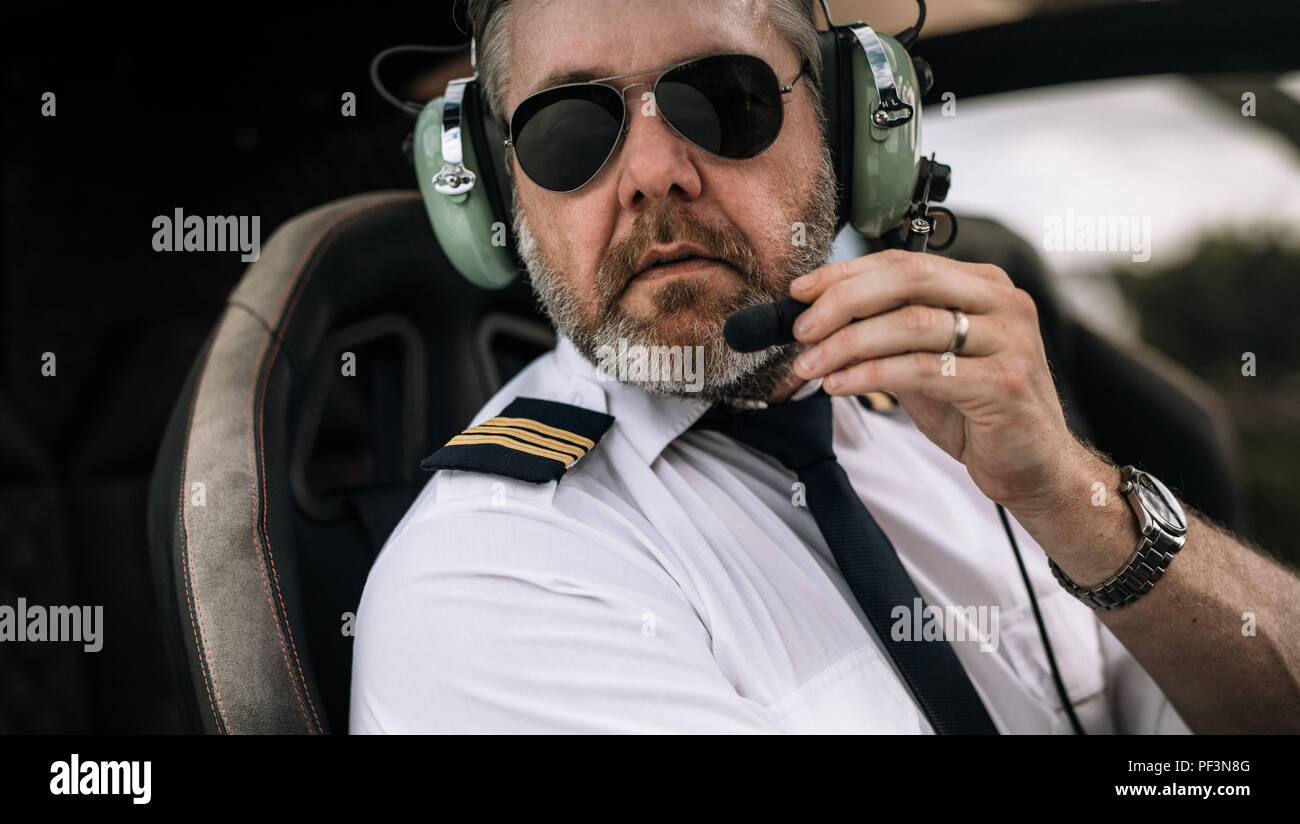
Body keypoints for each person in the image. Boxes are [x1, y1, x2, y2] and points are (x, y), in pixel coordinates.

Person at [349, 0, 1300, 733]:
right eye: (567, 131)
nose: (651, 172)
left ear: (853, 134)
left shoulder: (951, 418)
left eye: (723, 99)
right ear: (492, 191)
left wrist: (1077, 499)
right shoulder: (493, 579)